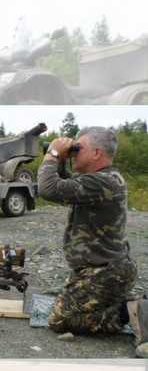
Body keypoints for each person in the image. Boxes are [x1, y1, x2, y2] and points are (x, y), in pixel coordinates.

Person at [37, 126, 148, 356]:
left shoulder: (105, 182)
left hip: (105, 272)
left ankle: (132, 310)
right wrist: (59, 157)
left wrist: (55, 154)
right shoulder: (100, 181)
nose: (74, 152)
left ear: (96, 153)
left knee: (60, 319)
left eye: (79, 148)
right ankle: (122, 302)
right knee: (70, 302)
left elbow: (48, 189)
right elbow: (64, 186)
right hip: (105, 269)